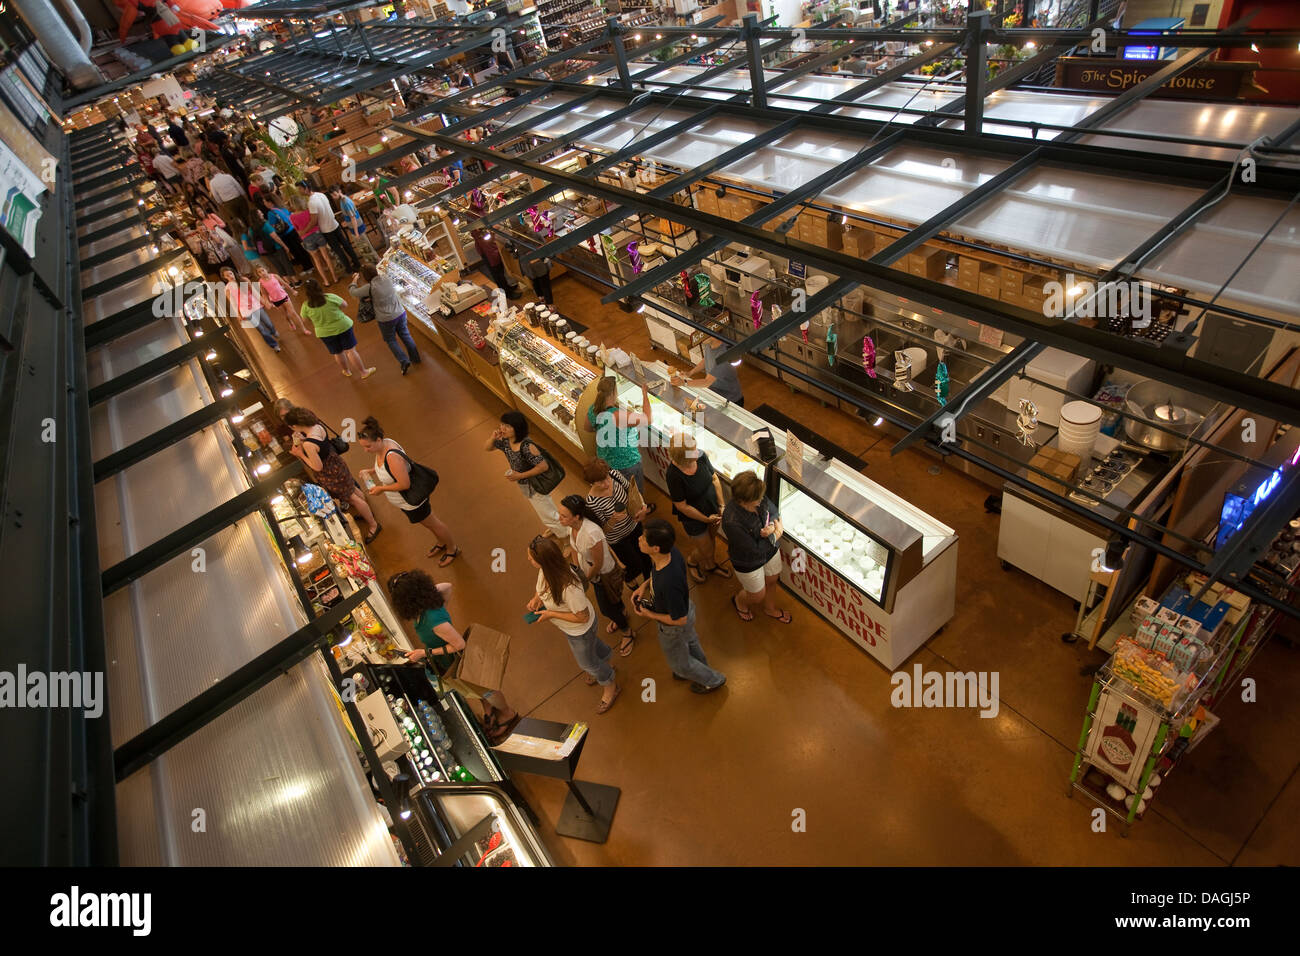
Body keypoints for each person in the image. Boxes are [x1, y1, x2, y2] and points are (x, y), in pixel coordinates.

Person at [388, 570, 518, 742]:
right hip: (449, 658)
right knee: (476, 688)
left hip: (455, 659)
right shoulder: (429, 606)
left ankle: (508, 714)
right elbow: (447, 587)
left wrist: (425, 653)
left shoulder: (433, 620)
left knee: (486, 689)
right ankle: (489, 708)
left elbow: (459, 645)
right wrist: (423, 593)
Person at [526, 536, 621, 714]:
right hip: (573, 629)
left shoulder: (569, 587)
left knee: (587, 664)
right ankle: (606, 659)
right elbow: (542, 588)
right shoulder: (547, 572)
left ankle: (610, 684)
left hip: (580, 630)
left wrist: (551, 614)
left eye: (531, 558)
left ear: (544, 561)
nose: (528, 560)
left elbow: (582, 617)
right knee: (593, 646)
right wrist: (537, 598)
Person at [632, 519, 726, 694]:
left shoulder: (669, 583)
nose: (639, 539)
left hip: (673, 625)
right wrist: (644, 586)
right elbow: (657, 575)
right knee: (691, 640)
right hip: (686, 608)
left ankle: (711, 680)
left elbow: (679, 619)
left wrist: (649, 614)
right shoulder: (670, 554)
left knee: (680, 664)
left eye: (644, 539)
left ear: (655, 548)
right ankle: (701, 668)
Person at [358, 417, 462, 567]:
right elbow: (385, 468)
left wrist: (381, 488)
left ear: (379, 440)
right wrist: (371, 471)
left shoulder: (392, 457)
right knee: (428, 524)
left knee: (433, 523)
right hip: (404, 501)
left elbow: (404, 484)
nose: (366, 450)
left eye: (368, 446)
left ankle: (452, 548)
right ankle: (441, 542)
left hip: (412, 500)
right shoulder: (384, 445)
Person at [283, 405, 381, 542]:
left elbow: (317, 466)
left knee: (352, 498)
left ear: (295, 425)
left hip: (330, 473)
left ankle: (373, 525)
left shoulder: (308, 445)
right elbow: (321, 446)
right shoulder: (317, 427)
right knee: (352, 489)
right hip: (336, 462)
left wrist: (300, 453)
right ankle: (368, 513)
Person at [558, 494, 634, 653]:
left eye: (564, 516)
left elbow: (598, 563)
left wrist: (585, 579)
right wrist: (576, 569)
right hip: (590, 572)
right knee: (613, 601)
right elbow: (574, 548)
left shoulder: (592, 533)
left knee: (606, 608)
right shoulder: (571, 526)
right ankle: (621, 612)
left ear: (577, 517)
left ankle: (627, 631)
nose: (560, 518)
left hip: (603, 575)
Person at [722, 470, 791, 623]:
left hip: (770, 551)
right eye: (757, 500)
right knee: (756, 595)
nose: (761, 501)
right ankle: (740, 600)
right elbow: (754, 551)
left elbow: (773, 511)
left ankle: (770, 608)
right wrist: (775, 535)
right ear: (742, 501)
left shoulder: (757, 496)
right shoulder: (731, 521)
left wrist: (772, 525)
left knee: (772, 579)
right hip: (748, 561)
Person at [486, 411, 568, 537]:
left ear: (517, 428)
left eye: (507, 426)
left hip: (536, 485)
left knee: (547, 515)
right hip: (526, 485)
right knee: (546, 511)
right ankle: (556, 527)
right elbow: (488, 448)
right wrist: (493, 437)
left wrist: (519, 476)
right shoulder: (507, 441)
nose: (502, 428)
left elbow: (543, 466)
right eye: (502, 424)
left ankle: (565, 535)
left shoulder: (526, 446)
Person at [665, 436, 732, 582]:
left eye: (695, 448)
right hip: (694, 519)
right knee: (705, 549)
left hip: (713, 509)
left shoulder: (700, 456)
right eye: (692, 451)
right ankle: (692, 562)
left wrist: (721, 505)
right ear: (682, 458)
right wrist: (705, 519)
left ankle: (710, 564)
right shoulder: (673, 475)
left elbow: (714, 479)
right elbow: (681, 505)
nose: (697, 452)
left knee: (711, 538)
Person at [582, 458, 653, 589]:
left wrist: (642, 507)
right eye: (600, 482)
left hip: (634, 525)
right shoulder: (591, 502)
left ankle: (649, 580)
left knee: (646, 556)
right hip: (618, 539)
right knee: (634, 563)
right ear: (591, 483)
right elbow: (602, 531)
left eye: (607, 477)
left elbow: (633, 491)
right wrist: (613, 519)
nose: (607, 483)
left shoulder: (615, 475)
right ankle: (629, 577)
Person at [584, 375, 656, 502]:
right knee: (634, 494)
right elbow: (648, 419)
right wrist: (645, 394)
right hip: (627, 462)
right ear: (613, 393)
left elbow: (588, 428)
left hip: (606, 461)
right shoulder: (617, 415)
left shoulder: (593, 409)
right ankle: (637, 512)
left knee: (618, 491)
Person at [298, 278, 376, 379]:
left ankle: (346, 371)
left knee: (338, 353)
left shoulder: (305, 306)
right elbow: (344, 305)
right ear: (318, 287)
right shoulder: (330, 297)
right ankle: (363, 372)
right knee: (351, 351)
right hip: (343, 326)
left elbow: (304, 320)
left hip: (325, 333)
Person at [350, 264, 419, 373]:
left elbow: (353, 292)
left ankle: (403, 360)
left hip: (385, 319)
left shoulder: (369, 287)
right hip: (400, 312)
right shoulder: (386, 278)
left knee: (391, 340)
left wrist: (354, 281)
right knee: (405, 335)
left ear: (365, 277)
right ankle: (415, 358)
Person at [670, 334, 745, 407]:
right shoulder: (709, 345)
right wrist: (690, 372)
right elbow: (705, 359)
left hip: (731, 401)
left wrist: (684, 383)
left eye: (703, 333)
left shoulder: (723, 355)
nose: (700, 336)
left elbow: (707, 382)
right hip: (716, 396)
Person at [219, 265, 281, 352]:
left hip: (255, 305)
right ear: (224, 278)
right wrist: (238, 315)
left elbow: (254, 292)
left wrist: (265, 302)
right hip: (245, 311)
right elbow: (233, 303)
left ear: (233, 272)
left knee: (268, 323)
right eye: (227, 276)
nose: (230, 276)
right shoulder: (227, 289)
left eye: (230, 273)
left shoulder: (244, 280)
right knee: (261, 329)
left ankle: (273, 331)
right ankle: (274, 345)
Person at [303, 181, 361, 272]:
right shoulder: (321, 195)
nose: (299, 191)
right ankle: (357, 262)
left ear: (306, 189)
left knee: (338, 250)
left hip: (327, 230)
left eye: (300, 189)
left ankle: (349, 269)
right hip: (335, 224)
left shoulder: (311, 202)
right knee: (346, 244)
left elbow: (314, 221)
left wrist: (304, 230)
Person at [260, 198, 316, 276]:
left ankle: (307, 267)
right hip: (293, 230)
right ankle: (309, 265)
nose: (264, 203)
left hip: (285, 234)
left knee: (296, 251)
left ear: (270, 202)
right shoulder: (281, 208)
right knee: (300, 249)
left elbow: (273, 226)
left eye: (265, 201)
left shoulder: (270, 213)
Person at [289, 194, 336, 286]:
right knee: (326, 257)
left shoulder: (292, 217)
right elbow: (315, 221)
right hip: (317, 233)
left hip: (306, 238)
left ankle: (326, 281)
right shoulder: (308, 211)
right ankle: (335, 277)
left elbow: (297, 229)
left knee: (317, 261)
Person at [254, 263, 309, 334]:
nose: (262, 273)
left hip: (284, 297)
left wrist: (292, 291)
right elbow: (264, 294)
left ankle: (304, 329)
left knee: (293, 313)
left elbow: (285, 284)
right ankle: (290, 322)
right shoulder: (261, 282)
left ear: (266, 269)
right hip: (275, 301)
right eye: (259, 272)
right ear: (258, 274)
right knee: (285, 315)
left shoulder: (274, 276)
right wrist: (268, 302)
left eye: (262, 270)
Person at [471, 228, 519, 298]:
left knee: (500, 272)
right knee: (498, 275)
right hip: (489, 253)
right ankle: (507, 294)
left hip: (492, 250)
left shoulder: (480, 232)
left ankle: (507, 288)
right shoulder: (478, 232)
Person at [208, 164, 250, 231]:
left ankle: (246, 232)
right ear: (219, 170)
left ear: (211, 173)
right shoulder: (228, 176)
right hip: (238, 198)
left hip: (228, 203)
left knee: (238, 219)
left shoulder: (212, 183)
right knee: (247, 216)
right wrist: (244, 195)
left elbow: (216, 195)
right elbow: (237, 186)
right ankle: (253, 229)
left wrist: (221, 203)